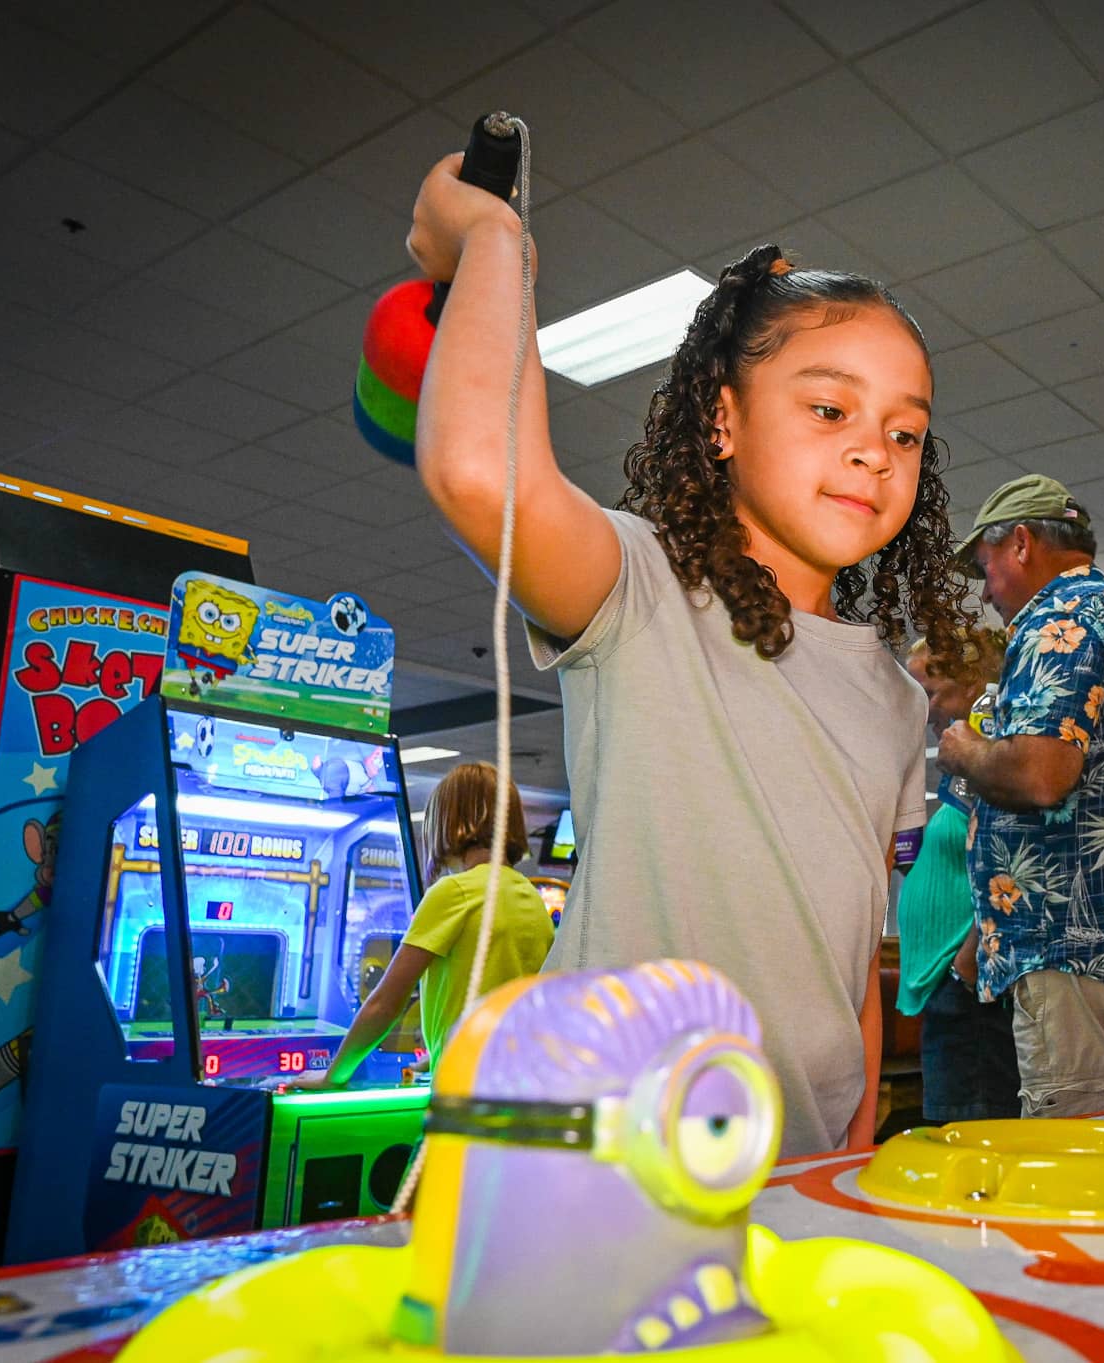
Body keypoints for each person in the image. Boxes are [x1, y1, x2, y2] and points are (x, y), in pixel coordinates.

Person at [404, 155, 979, 1155]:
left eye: (905, 432)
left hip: (794, 1157)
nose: (874, 450)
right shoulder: (639, 586)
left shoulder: (892, 695)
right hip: (606, 1158)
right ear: (722, 418)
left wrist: (845, 1143)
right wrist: (494, 243)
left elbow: (840, 958)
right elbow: (473, 468)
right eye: (829, 409)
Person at [937, 475, 1104, 1116]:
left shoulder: (1058, 617)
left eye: (986, 565)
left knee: (1087, 1183)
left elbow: (1040, 775)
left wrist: (964, 750)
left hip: (1075, 949)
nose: (988, 589)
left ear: (1021, 543)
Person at [297, 762, 554, 1088]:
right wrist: (436, 1052)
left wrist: (333, 1075)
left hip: (466, 1090)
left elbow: (385, 1003)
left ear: (448, 822)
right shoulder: (530, 898)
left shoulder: (455, 892)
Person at [897, 627, 1021, 1122]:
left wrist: (967, 965)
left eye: (930, 692)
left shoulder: (994, 758)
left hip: (968, 987)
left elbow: (1010, 866)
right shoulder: (965, 772)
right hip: (948, 984)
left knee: (968, 1138)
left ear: (973, 685)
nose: (924, 709)